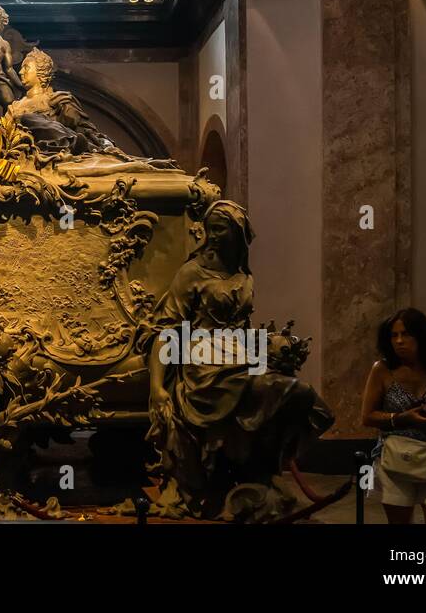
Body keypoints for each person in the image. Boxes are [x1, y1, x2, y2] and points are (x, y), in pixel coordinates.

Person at [142, 200, 333, 518]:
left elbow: (243, 330)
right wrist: (158, 387)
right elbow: (166, 330)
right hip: (205, 365)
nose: (213, 236)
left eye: (221, 229)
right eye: (210, 229)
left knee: (300, 395)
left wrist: (273, 349)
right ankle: (251, 475)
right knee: (272, 389)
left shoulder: (245, 276)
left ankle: (263, 471)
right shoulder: (192, 273)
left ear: (239, 233)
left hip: (241, 356)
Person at [360, 308, 426, 523]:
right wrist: (402, 418)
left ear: (421, 336)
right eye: (394, 335)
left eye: (406, 334)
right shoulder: (382, 369)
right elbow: (367, 417)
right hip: (395, 455)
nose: (399, 341)